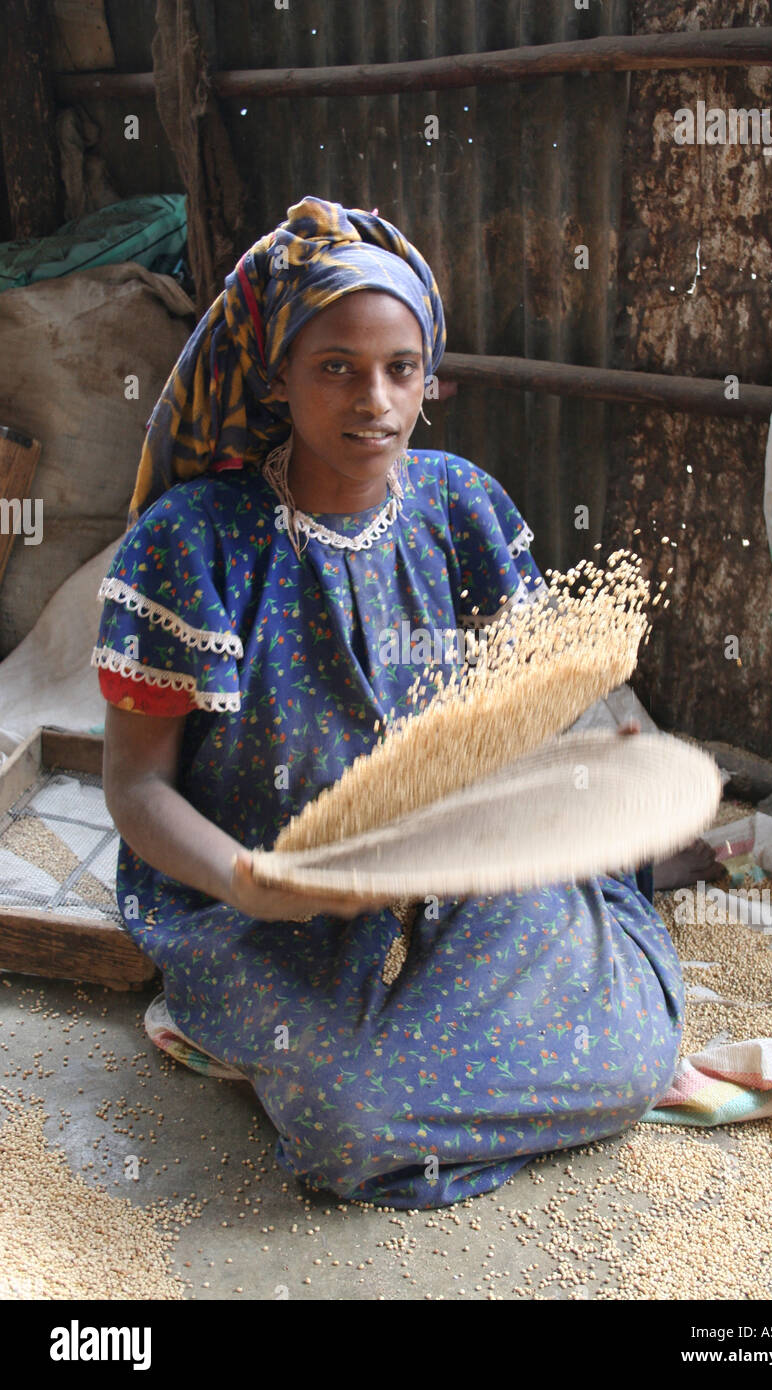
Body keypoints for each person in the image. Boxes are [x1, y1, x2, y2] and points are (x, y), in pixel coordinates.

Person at [94, 195, 686, 1210]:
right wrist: (247, 880)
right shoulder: (192, 541)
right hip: (267, 897)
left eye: (398, 369)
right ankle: (376, 1068)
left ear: (428, 379)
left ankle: (563, 971)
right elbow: (136, 788)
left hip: (450, 866)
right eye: (335, 367)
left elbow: (522, 706)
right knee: (346, 1126)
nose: (372, 400)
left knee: (626, 1054)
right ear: (276, 372)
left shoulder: (460, 504)